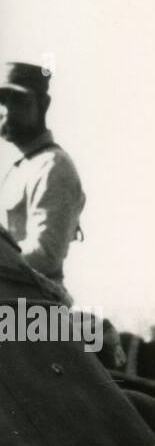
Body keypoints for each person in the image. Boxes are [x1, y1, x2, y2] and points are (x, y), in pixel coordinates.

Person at [0, 61, 85, 289]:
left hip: (37, 310)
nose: (7, 111)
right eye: (2, 101)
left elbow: (45, 255)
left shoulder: (54, 166)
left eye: (18, 100)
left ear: (43, 104)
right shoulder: (18, 167)